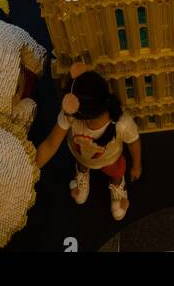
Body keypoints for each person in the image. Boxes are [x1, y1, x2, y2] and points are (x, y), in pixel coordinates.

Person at [36, 62, 142, 220]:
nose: (66, 113)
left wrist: (136, 165)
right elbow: (50, 144)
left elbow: (134, 141)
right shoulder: (69, 114)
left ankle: (118, 187)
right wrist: (31, 169)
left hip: (110, 158)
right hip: (82, 156)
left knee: (115, 172)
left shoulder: (122, 124)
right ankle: (83, 174)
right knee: (82, 163)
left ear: (84, 116)